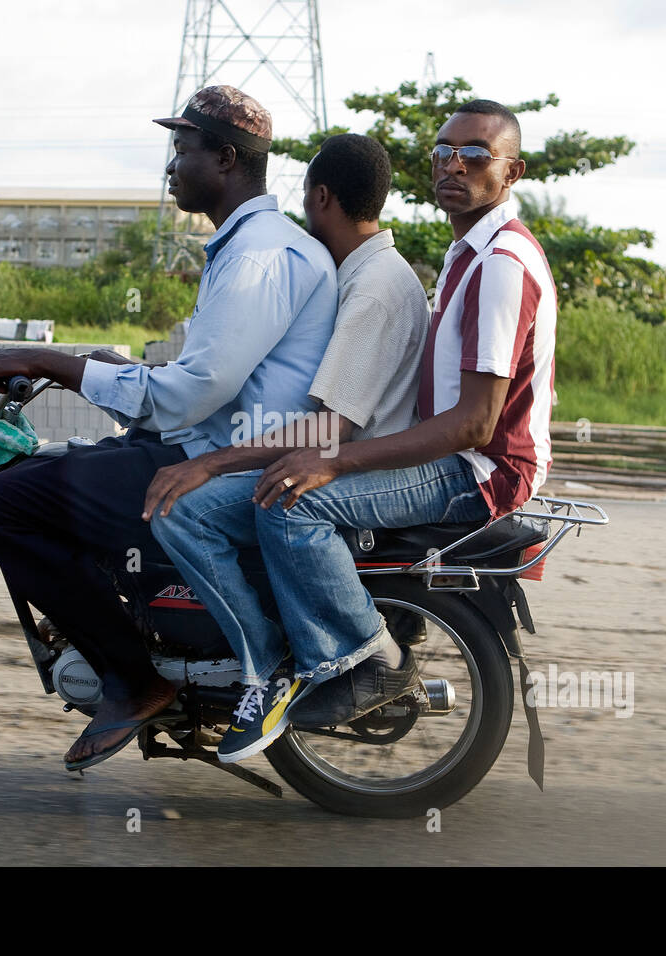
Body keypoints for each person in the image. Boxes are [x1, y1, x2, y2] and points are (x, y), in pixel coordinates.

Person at [156, 99, 558, 763]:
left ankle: (361, 659)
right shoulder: (466, 251)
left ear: (512, 171)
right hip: (450, 452)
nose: (452, 165)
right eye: (442, 153)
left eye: (475, 155)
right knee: (207, 506)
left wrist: (335, 463)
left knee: (296, 499)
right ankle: (270, 659)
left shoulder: (499, 265)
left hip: (480, 471)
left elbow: (475, 424)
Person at [0, 85, 337, 769]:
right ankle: (121, 626)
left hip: (225, 461)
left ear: (225, 159)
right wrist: (109, 369)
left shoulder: (256, 256)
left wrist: (57, 362)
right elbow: (209, 376)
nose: (171, 167)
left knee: (4, 501)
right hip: (216, 440)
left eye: (182, 150)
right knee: (64, 467)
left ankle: (135, 680)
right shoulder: (252, 246)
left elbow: (195, 391)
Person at [146, 133, 430, 758]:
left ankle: (270, 665)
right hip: (347, 459)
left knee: (180, 510)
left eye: (305, 201)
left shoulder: (376, 288)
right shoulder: (367, 273)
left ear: (321, 196)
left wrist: (214, 460)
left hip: (351, 472)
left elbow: (331, 429)